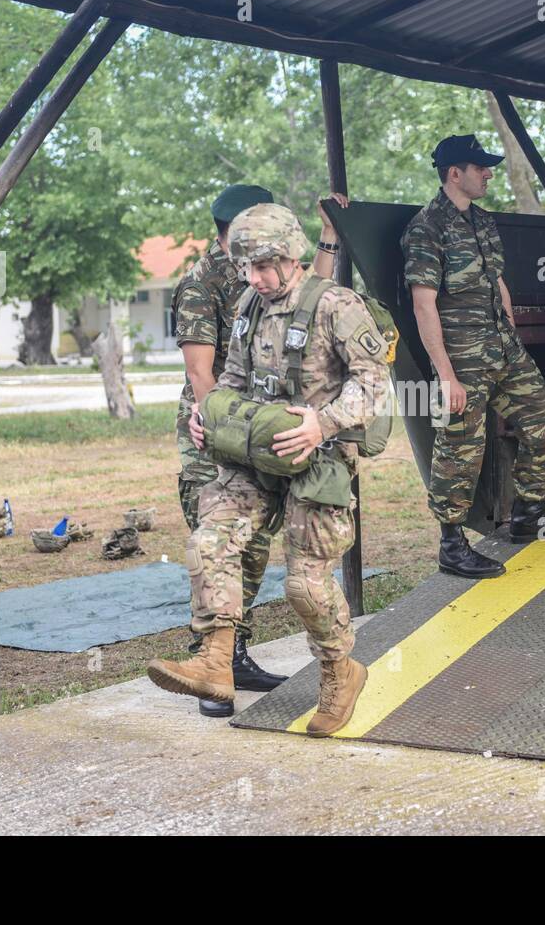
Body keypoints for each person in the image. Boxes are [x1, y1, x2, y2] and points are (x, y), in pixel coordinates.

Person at [148, 203, 389, 736]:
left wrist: (322, 424)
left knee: (305, 584)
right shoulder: (250, 309)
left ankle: (339, 671)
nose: (254, 278)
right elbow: (231, 377)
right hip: (258, 455)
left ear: (291, 255)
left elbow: (374, 383)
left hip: (318, 459)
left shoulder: (337, 305)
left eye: (263, 266)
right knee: (211, 541)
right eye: (246, 269)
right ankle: (215, 661)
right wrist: (207, 417)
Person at [171, 184, 348, 715]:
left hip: (270, 430)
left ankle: (233, 658)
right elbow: (202, 374)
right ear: (226, 234)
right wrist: (224, 435)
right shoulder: (204, 283)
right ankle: (214, 662)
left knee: (260, 550)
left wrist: (330, 238)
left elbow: (315, 297)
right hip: (221, 430)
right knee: (220, 543)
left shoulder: (276, 271)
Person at [401, 133, 545, 578]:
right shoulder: (427, 227)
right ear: (454, 173)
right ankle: (451, 542)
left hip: (502, 348)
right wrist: (444, 374)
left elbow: (497, 280)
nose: (488, 173)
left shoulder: (482, 221)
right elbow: (423, 303)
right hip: (461, 357)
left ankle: (526, 514)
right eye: (479, 166)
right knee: (461, 446)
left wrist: (511, 333)